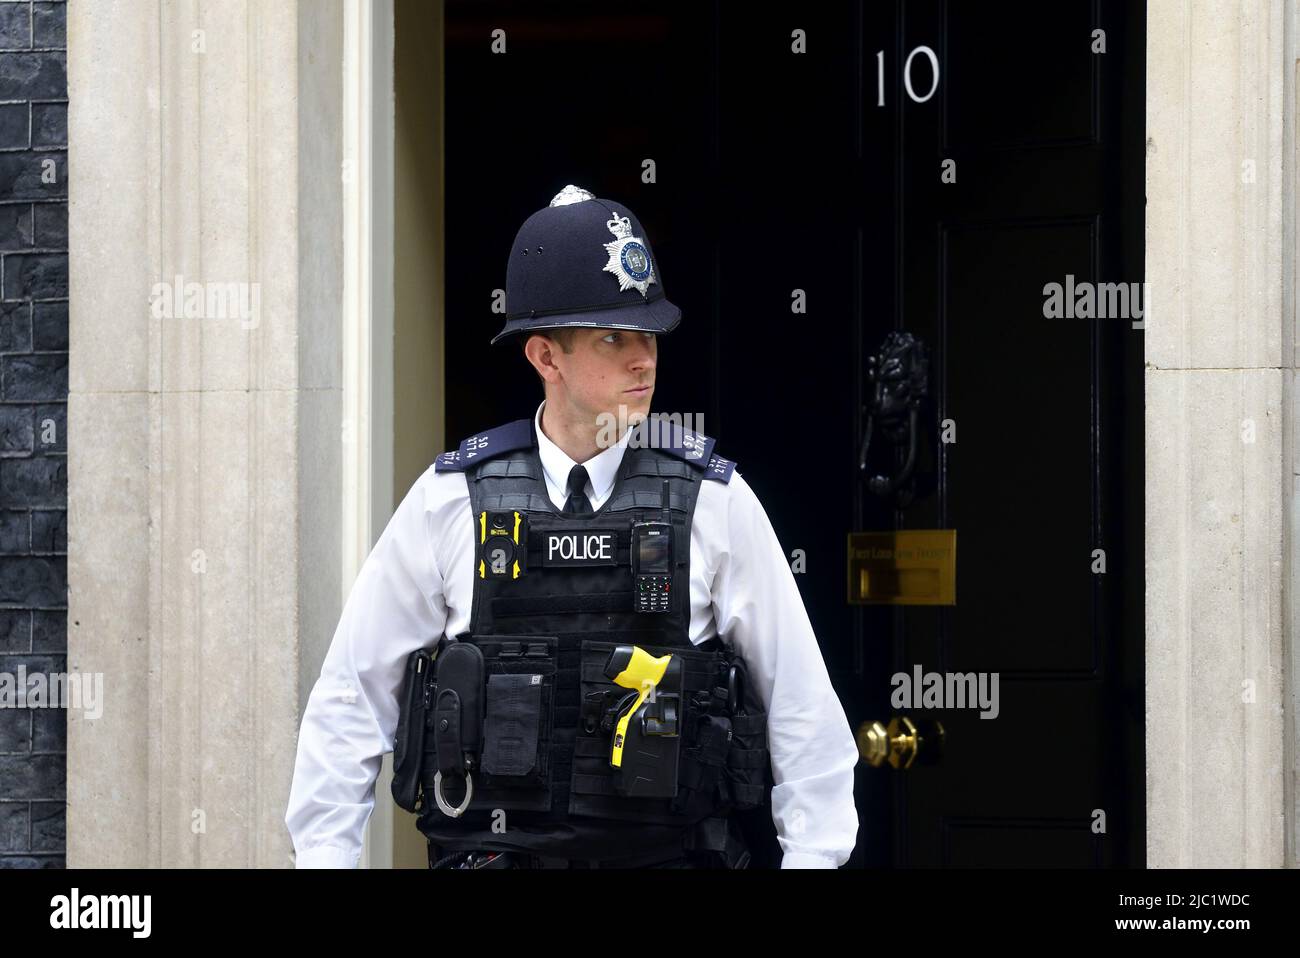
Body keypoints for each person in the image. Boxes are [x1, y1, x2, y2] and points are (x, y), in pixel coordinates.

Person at [285, 184, 860, 869]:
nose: (643, 358)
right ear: (545, 358)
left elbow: (804, 713)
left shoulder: (714, 501)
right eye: (612, 338)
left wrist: (814, 859)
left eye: (649, 333)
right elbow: (350, 699)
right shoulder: (450, 501)